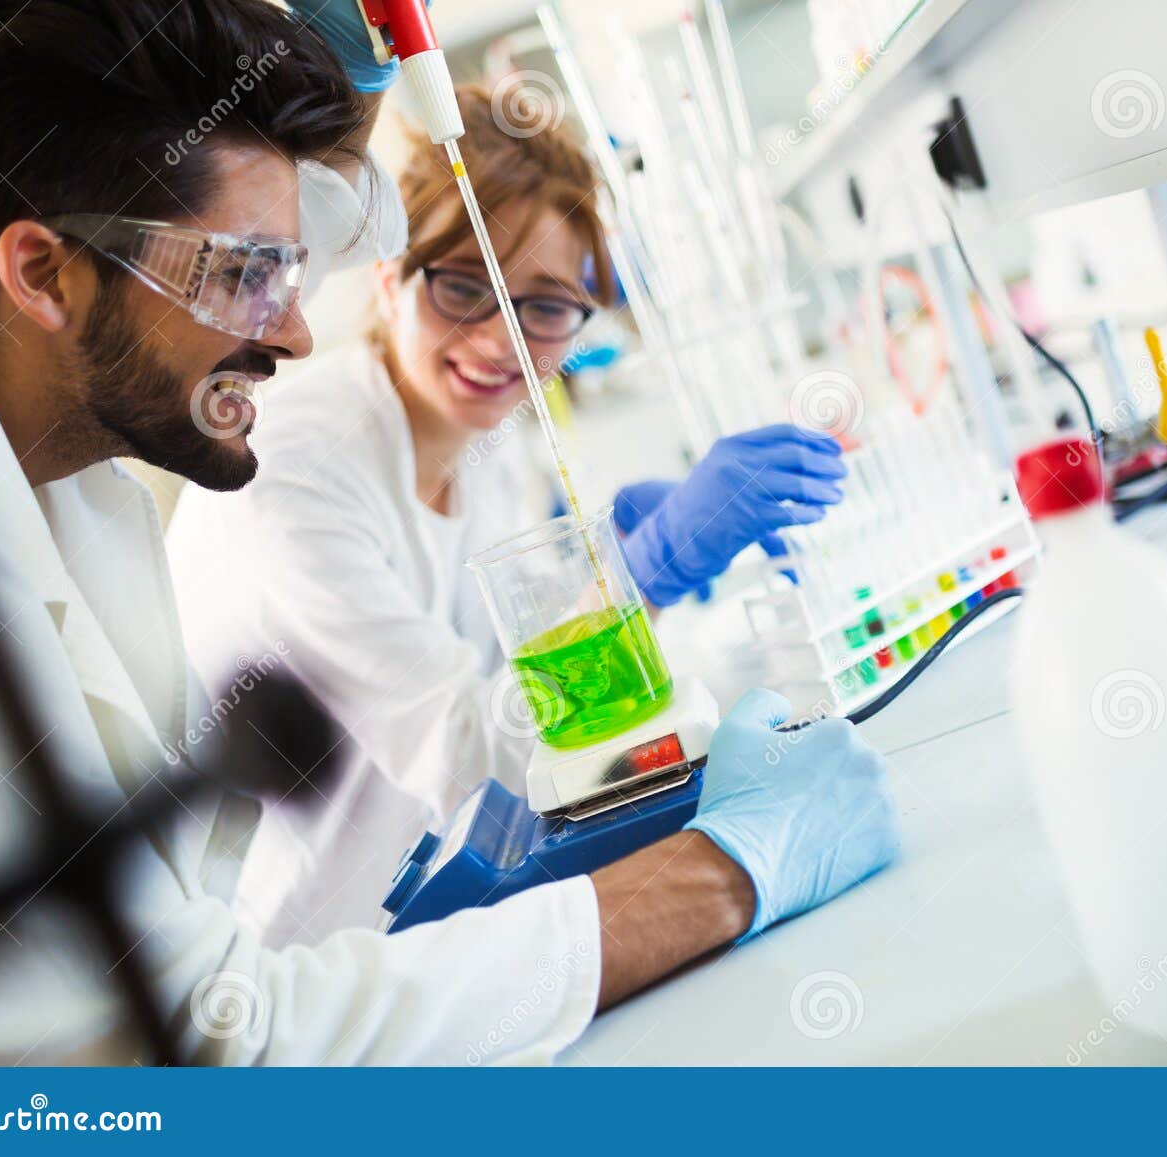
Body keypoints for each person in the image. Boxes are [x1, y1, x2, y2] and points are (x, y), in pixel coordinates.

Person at [0, 0, 898, 1065]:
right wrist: (728, 869)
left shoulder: (62, 477)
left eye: (551, 308)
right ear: (41, 272)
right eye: (243, 274)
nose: (295, 330)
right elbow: (201, 1044)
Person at [167, 85, 849, 944]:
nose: (500, 342)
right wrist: (647, 573)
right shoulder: (291, 472)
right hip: (324, 974)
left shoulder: (486, 443)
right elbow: (472, 763)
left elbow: (513, 698)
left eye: (548, 305)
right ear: (389, 276)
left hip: (459, 919)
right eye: (462, 287)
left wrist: (612, 572)